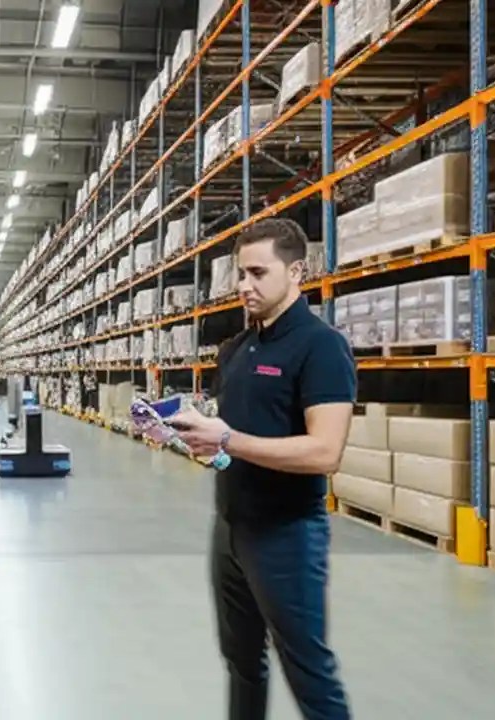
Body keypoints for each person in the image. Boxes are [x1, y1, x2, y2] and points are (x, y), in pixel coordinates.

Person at [173, 218, 355, 720]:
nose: (243, 286)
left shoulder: (321, 347)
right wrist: (196, 438)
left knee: (309, 674)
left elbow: (325, 452)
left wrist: (228, 438)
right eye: (239, 274)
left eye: (257, 273)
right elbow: (232, 441)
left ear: (297, 271)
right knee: (242, 663)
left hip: (287, 533)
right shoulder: (237, 350)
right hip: (230, 528)